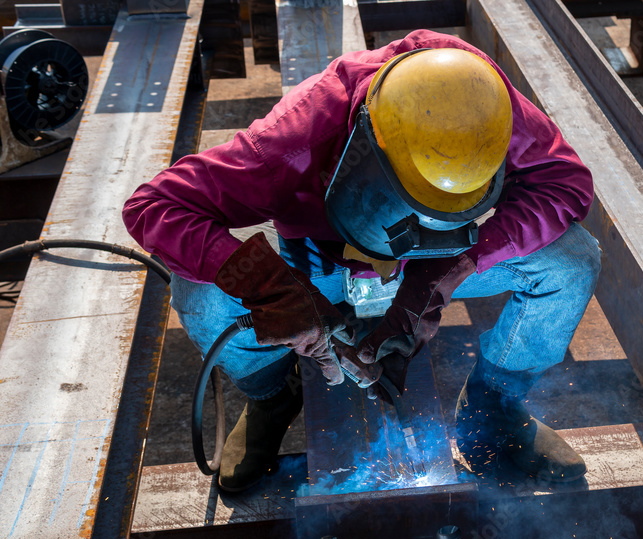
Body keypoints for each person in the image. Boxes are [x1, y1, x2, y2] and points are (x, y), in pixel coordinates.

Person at [123, 29, 600, 493]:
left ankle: (495, 404)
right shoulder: (294, 140)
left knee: (571, 263)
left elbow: (565, 185)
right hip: (317, 259)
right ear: (362, 151)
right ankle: (271, 396)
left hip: (431, 258)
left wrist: (450, 269)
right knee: (201, 294)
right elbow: (153, 208)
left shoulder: (483, 103)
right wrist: (272, 288)